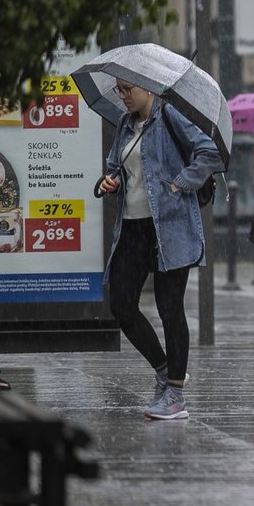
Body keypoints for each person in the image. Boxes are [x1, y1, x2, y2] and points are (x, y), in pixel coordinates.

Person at [96, 80, 224, 420]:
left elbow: (209, 152)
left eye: (127, 90)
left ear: (147, 87)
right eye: (118, 91)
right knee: (121, 304)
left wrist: (181, 181)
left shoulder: (170, 116)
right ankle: (164, 370)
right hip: (132, 226)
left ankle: (176, 394)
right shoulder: (125, 124)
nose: (122, 97)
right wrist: (110, 181)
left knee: (170, 308)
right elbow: (116, 167)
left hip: (169, 226)